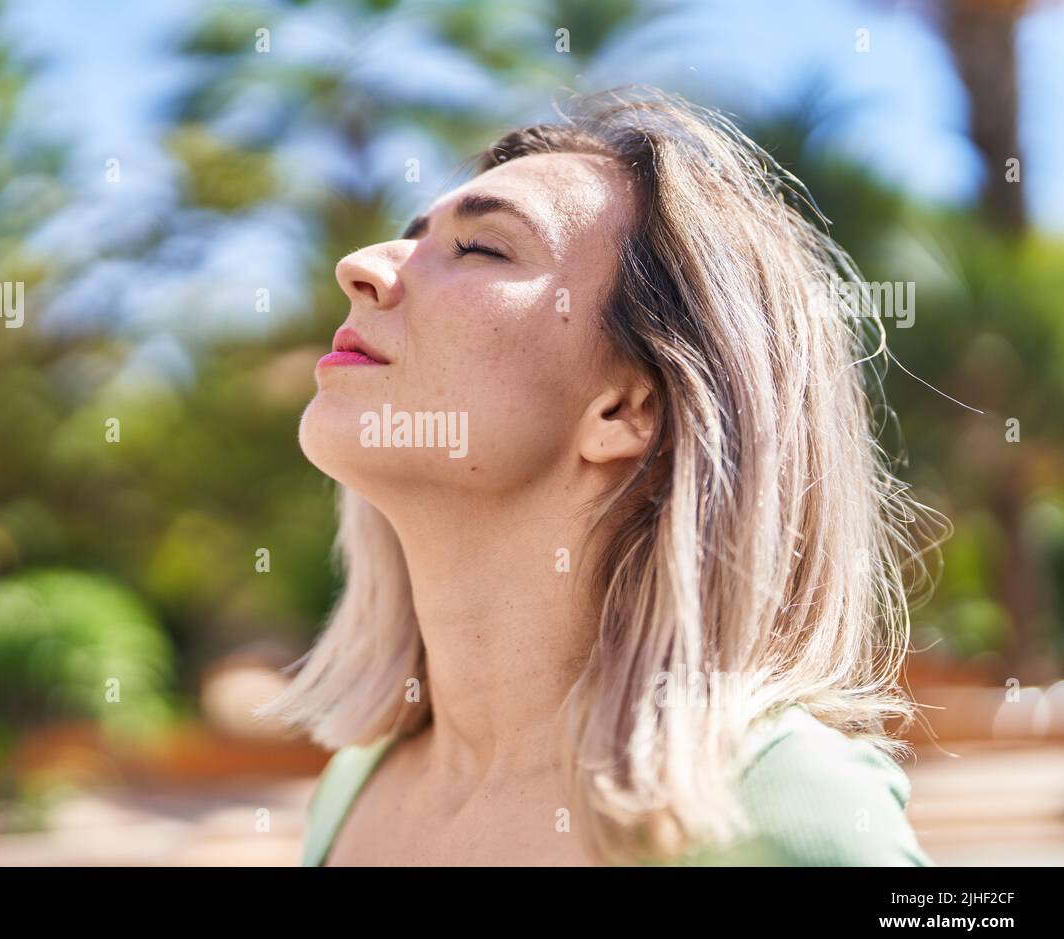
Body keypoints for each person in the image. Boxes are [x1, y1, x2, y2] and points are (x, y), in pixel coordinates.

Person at [257, 87, 939, 867]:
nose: (361, 266)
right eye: (410, 235)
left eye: (483, 249)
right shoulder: (351, 794)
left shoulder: (769, 804)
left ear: (625, 410)